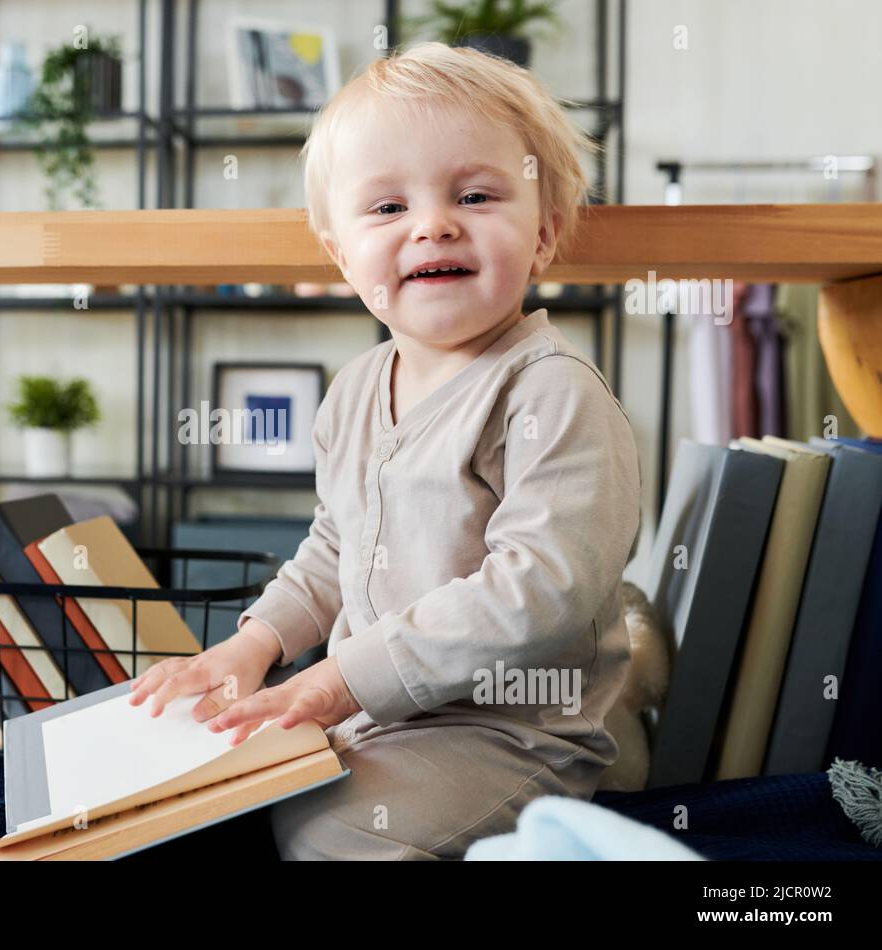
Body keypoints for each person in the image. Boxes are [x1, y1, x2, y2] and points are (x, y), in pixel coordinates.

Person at [128, 41, 642, 860]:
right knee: (197, 803)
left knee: (332, 838)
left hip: (508, 734)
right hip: (376, 719)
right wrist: (251, 647)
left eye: (474, 195)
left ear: (542, 234)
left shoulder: (552, 392)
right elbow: (337, 546)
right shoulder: (357, 388)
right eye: (387, 208)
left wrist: (334, 682)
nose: (433, 224)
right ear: (340, 254)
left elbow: (539, 592)